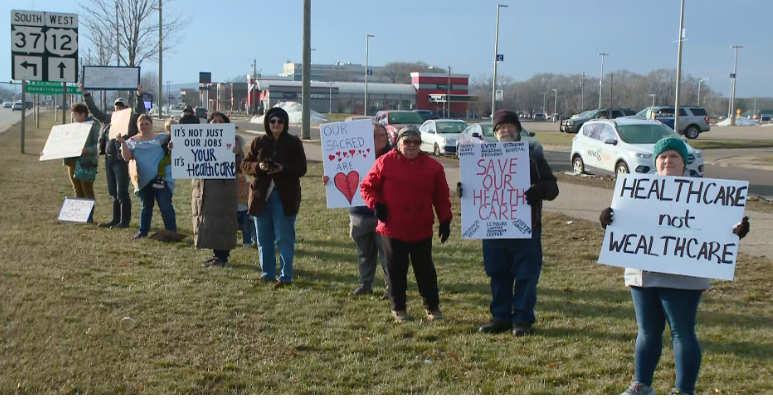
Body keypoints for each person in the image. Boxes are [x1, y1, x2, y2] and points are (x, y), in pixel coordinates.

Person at [601, 138, 752, 396]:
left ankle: (683, 390)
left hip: (685, 275)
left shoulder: (705, 194)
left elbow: (719, 228)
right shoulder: (638, 190)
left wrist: (736, 231)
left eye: (674, 156)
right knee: (647, 332)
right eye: (663, 157)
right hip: (645, 273)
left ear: (684, 163)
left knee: (682, 332)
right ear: (655, 162)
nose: (668, 161)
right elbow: (625, 223)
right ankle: (642, 385)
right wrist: (609, 219)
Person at [457, 111, 559, 336]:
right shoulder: (480, 157)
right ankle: (500, 317)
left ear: (519, 131)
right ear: (494, 133)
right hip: (492, 228)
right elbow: (476, 185)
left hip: (525, 229)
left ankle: (522, 320)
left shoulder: (533, 157)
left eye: (511, 127)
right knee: (497, 274)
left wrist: (538, 190)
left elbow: (553, 188)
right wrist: (465, 190)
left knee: (526, 276)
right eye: (501, 127)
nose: (506, 130)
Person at [361, 126, 452, 323]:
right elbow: (367, 186)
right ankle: (399, 308)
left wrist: (445, 219)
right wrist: (376, 204)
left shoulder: (433, 167)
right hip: (393, 228)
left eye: (416, 142)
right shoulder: (384, 162)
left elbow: (441, 196)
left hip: (421, 229)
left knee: (425, 270)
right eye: (407, 141)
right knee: (396, 270)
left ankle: (432, 307)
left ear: (421, 144)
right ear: (398, 143)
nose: (411, 145)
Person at [323, 123, 393, 298]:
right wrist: (329, 180)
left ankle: (391, 287)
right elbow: (341, 174)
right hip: (358, 213)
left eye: (385, 135)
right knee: (364, 252)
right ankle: (365, 284)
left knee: (387, 253)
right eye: (378, 135)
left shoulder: (393, 158)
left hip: (384, 214)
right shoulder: (355, 156)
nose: (383, 138)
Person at [241, 107, 307, 289]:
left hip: (285, 196)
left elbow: (302, 168)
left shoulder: (294, 143)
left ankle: (285, 276)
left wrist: (282, 169)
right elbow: (245, 165)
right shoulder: (258, 142)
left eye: (280, 121)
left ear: (285, 124)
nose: (276, 124)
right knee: (263, 237)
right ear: (267, 123)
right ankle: (267, 273)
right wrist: (260, 167)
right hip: (261, 196)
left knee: (284, 237)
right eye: (272, 121)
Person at [80, 84, 145, 229]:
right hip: (109, 159)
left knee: (122, 191)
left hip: (122, 160)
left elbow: (140, 112)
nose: (118, 108)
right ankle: (115, 219)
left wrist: (139, 95)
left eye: (121, 106)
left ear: (126, 108)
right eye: (116, 106)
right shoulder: (108, 119)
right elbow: (94, 110)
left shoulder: (131, 120)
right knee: (113, 191)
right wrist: (86, 94)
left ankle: (124, 221)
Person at [190, 112, 244, 268]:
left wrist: (237, 152)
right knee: (208, 221)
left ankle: (223, 256)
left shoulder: (234, 142)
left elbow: (241, 166)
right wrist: (175, 148)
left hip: (223, 189)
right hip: (203, 187)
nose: (217, 123)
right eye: (214, 121)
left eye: (221, 121)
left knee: (222, 221)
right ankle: (216, 255)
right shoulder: (198, 139)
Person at [117, 115, 177, 240]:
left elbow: (173, 151)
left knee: (165, 205)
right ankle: (143, 231)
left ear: (151, 124)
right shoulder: (132, 141)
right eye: (141, 124)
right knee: (146, 206)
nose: (144, 126)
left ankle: (172, 232)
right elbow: (127, 158)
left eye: (146, 124)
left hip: (161, 178)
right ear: (137, 126)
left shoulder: (162, 138)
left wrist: (172, 146)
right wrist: (123, 143)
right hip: (143, 179)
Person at [62, 103, 101, 222]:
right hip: (72, 161)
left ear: (83, 114)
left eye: (75, 115)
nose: (74, 118)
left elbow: (99, 145)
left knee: (87, 189)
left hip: (86, 162)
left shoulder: (94, 126)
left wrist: (87, 150)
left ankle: (89, 216)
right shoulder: (74, 126)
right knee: (77, 188)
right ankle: (79, 216)